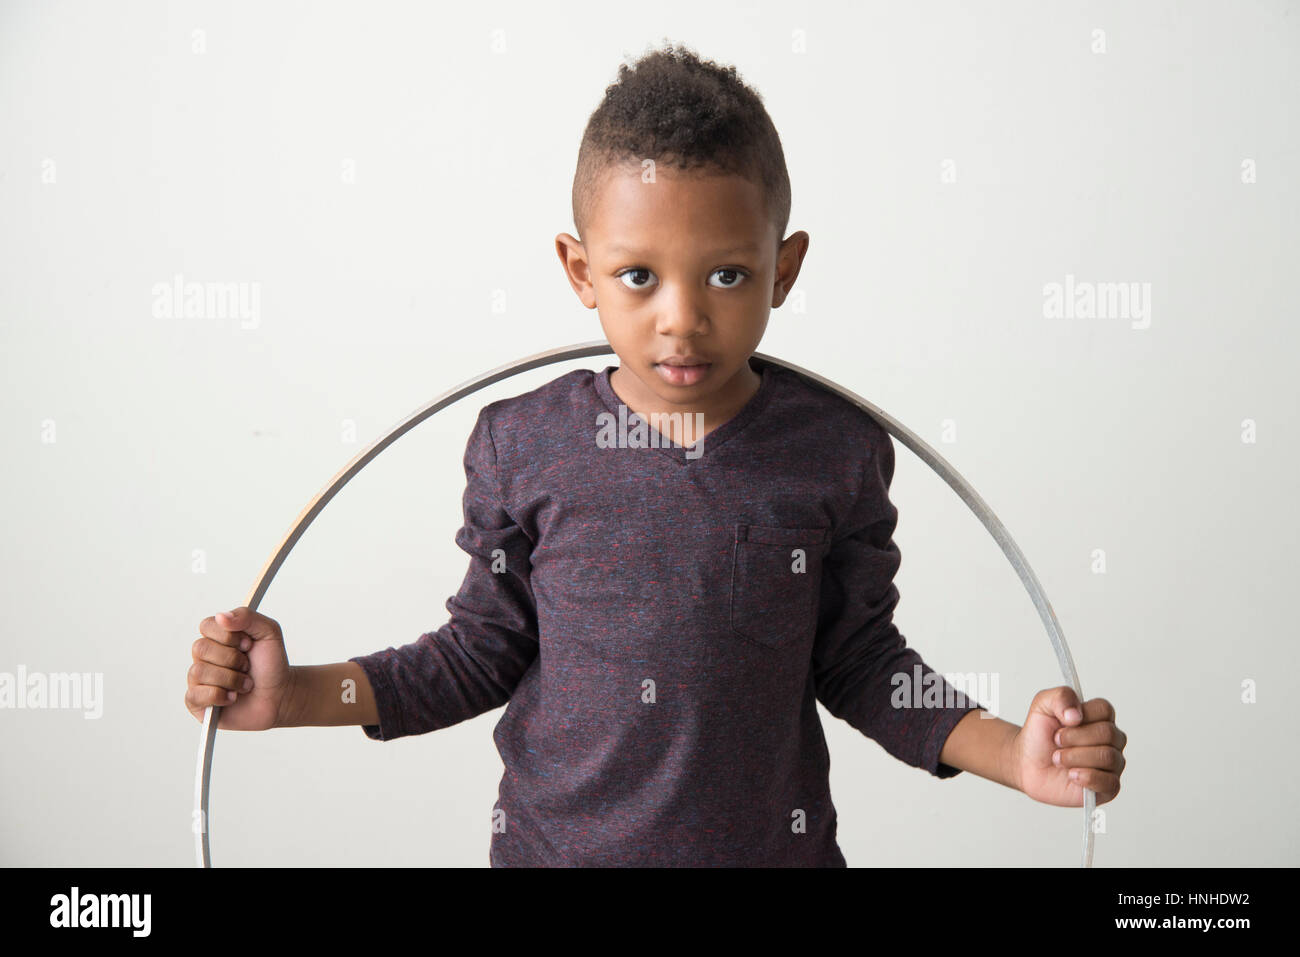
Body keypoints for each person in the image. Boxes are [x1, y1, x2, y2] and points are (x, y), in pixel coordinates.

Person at [185, 41, 1126, 866]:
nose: (682, 317)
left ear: (783, 269)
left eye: (727, 274)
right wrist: (299, 694)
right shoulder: (524, 445)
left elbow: (861, 659)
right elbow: (479, 652)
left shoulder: (833, 451)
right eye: (638, 276)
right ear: (580, 270)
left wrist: (1011, 749)